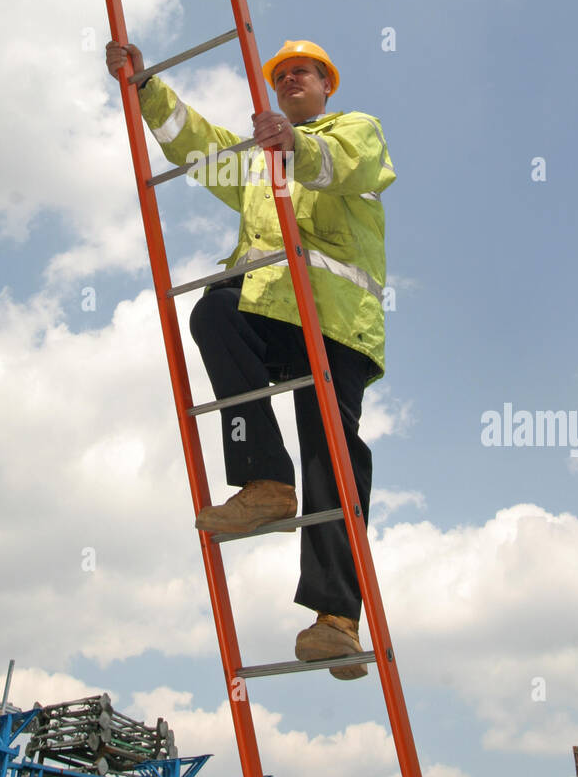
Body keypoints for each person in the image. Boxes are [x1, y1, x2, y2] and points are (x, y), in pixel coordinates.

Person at [105, 37, 395, 679]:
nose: (292, 80)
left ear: (328, 86)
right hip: (273, 303)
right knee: (214, 312)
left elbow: (349, 163)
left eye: (305, 73)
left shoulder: (354, 131)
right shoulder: (261, 166)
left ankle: (336, 620)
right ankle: (265, 481)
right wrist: (145, 87)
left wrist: (297, 146)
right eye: (282, 75)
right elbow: (201, 149)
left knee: (331, 451)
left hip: (335, 322)